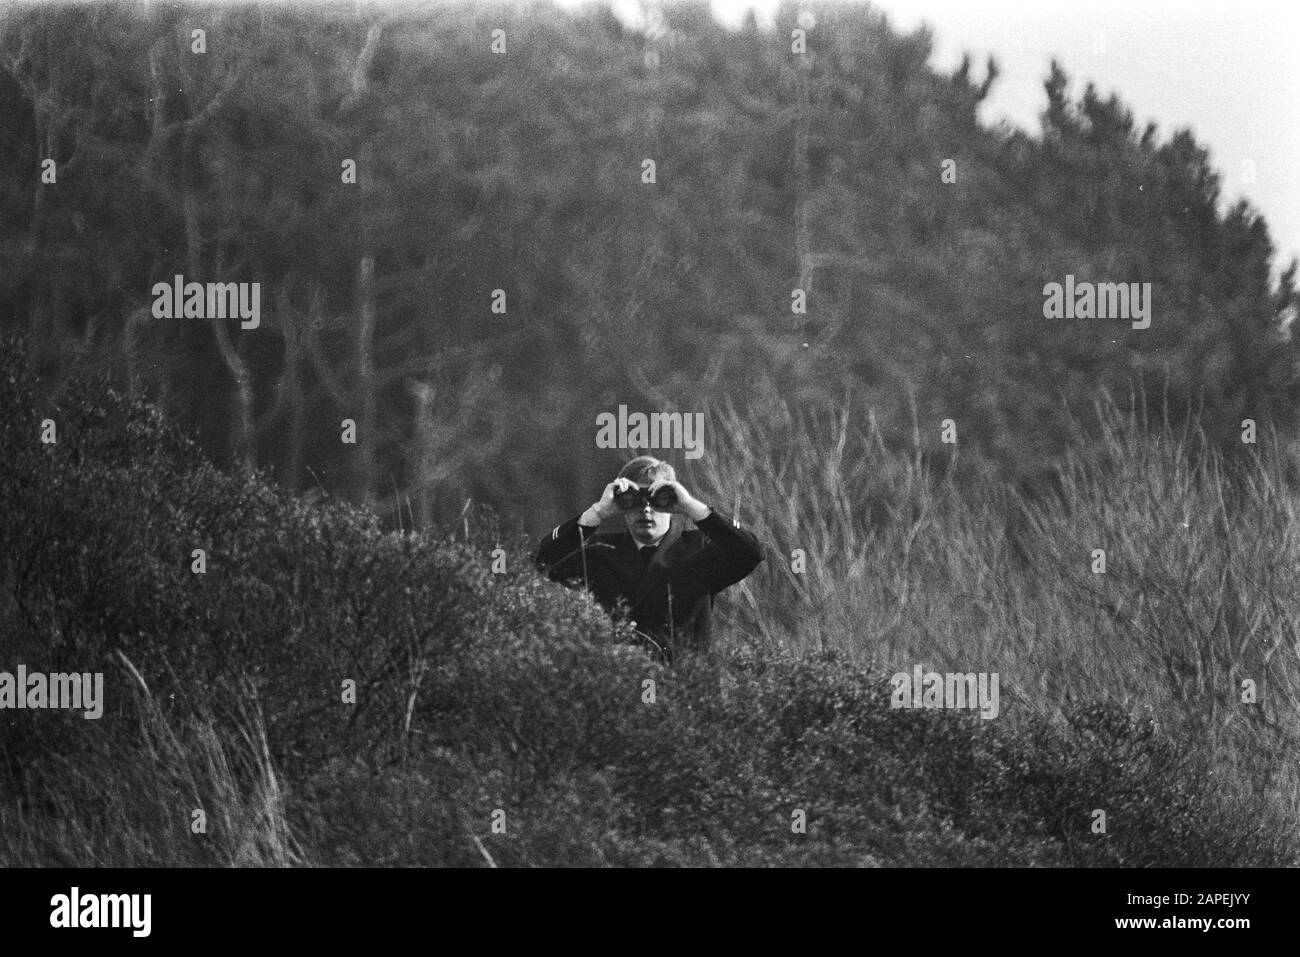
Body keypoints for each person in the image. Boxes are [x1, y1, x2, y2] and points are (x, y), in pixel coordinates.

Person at [535, 455, 763, 662]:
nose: (645, 509)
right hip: (618, 686)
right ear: (621, 504)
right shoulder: (600, 551)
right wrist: (599, 512)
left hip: (686, 690)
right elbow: (543, 561)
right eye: (633, 500)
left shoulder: (698, 549)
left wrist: (690, 506)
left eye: (657, 498)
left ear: (672, 501)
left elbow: (751, 551)